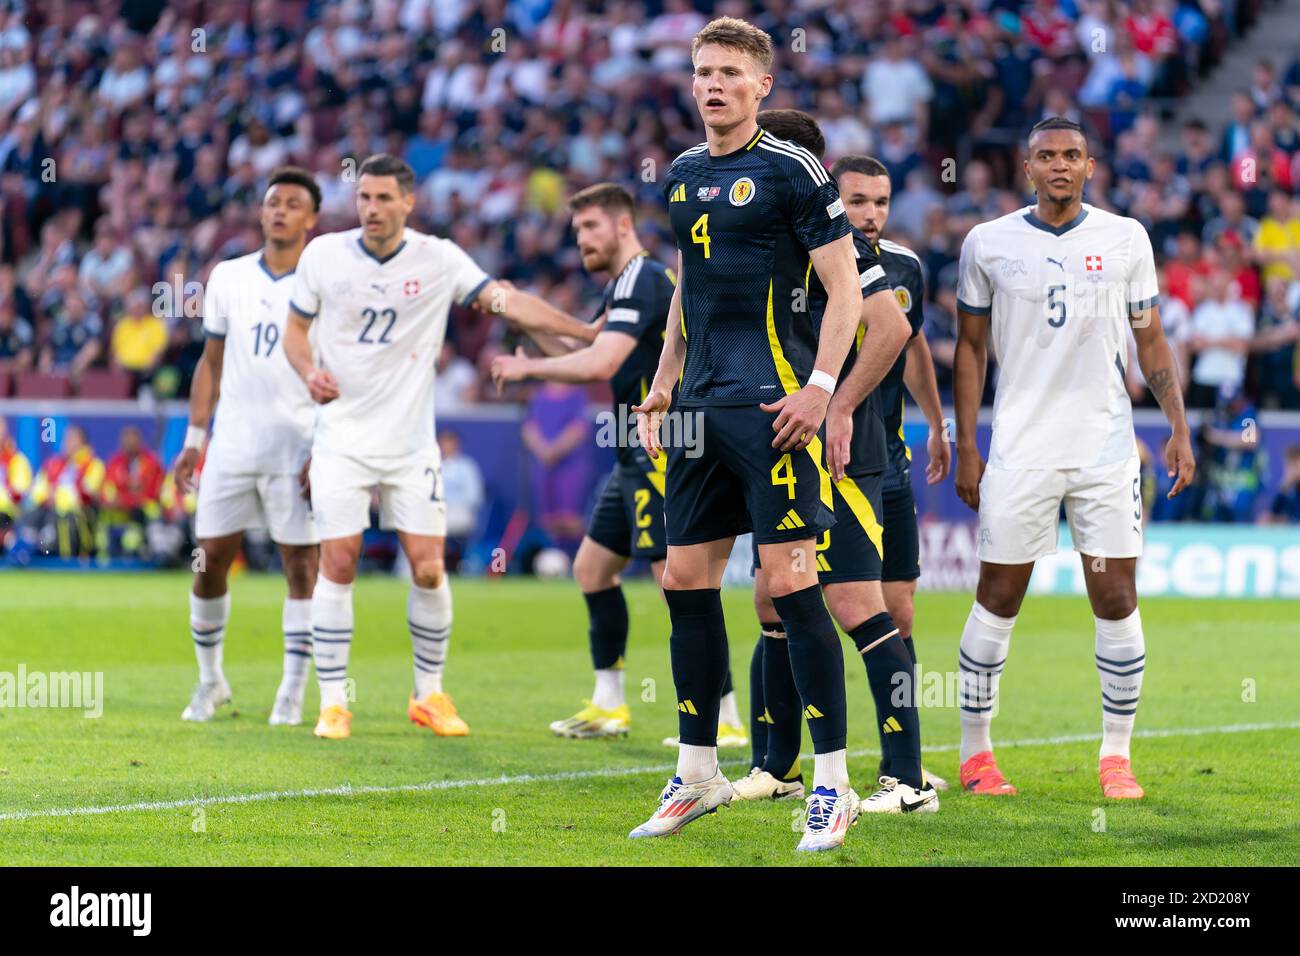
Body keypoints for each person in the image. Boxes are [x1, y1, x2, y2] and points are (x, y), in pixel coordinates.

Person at [629, 18, 864, 851]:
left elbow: (847, 295)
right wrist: (661, 388)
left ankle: (831, 785)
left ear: (763, 86)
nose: (713, 84)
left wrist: (821, 390)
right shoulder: (686, 173)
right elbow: (688, 296)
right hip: (697, 408)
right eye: (703, 71)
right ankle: (698, 774)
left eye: (730, 71)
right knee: (682, 578)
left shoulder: (793, 169)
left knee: (791, 584)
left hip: (773, 410)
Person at [283, 153, 600, 741]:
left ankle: (428, 694)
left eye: (384, 199)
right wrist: (308, 372)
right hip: (342, 439)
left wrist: (584, 331)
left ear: (409, 202)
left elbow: (506, 301)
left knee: (429, 568)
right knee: (339, 561)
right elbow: (295, 334)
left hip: (409, 445)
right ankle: (333, 703)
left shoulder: (439, 259)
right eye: (364, 199)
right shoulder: (323, 256)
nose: (372, 209)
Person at [952, 116, 1196, 800]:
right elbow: (969, 349)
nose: (1060, 165)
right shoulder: (987, 243)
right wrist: (968, 442)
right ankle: (977, 755)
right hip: (1021, 446)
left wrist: (1176, 425)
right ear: (1026, 167)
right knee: (999, 595)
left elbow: (1150, 342)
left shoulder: (1126, 238)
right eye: (1046, 156)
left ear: (1090, 166)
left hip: (1105, 446)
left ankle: (1116, 757)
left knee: (1116, 595)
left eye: (1072, 155)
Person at [739, 132, 955, 810]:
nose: (869, 213)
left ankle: (904, 770)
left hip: (868, 459)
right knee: (777, 599)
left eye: (881, 202)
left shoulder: (898, 266)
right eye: (857, 199)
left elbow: (907, 342)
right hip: (807, 453)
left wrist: (935, 420)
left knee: (884, 609)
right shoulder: (792, 254)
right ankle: (777, 766)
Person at [492, 182, 746, 745]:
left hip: (664, 448)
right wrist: (528, 332)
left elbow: (597, 362)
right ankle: (610, 705)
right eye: (576, 229)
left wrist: (526, 370)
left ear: (622, 226)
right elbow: (587, 353)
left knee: (679, 587)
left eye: (590, 228)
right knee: (591, 569)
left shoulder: (645, 279)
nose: (581, 239)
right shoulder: (628, 287)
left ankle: (725, 716)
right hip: (637, 451)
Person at [173, 166, 323, 725]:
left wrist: (324, 445)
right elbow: (209, 364)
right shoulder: (228, 276)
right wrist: (195, 438)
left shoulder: (323, 281)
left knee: (300, 568)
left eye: (291, 204)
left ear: (311, 219)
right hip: (233, 442)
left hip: (297, 442)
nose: (278, 210)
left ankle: (292, 690)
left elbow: (335, 370)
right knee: (209, 559)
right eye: (271, 202)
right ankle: (211, 682)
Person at [100, 424, 164, 557]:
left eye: (133, 439)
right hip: (120, 513)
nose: (129, 442)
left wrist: (127, 499)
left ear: (140, 441)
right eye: (126, 439)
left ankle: (155, 553)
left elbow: (153, 491)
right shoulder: (115, 463)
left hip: (144, 514)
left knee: (152, 513)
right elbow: (107, 489)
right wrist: (119, 499)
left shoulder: (151, 462)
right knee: (105, 519)